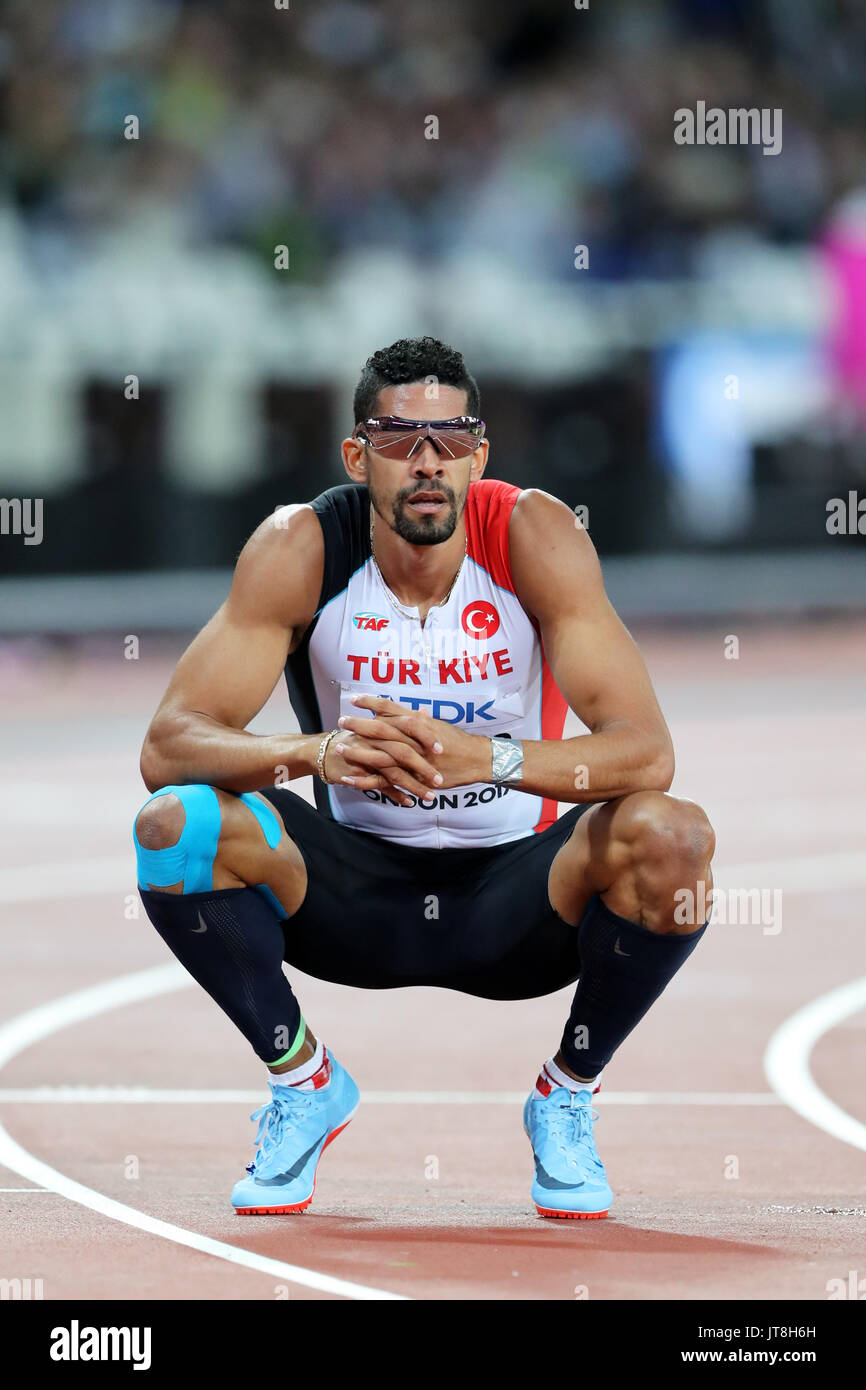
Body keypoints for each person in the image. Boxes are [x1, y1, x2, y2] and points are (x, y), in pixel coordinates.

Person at [133, 336, 714, 1220]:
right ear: (358, 456)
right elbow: (167, 745)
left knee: (674, 836)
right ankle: (303, 1083)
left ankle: (567, 1094)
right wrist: (315, 752)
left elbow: (646, 751)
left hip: (520, 898)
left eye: (451, 441)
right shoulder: (300, 547)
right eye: (402, 442)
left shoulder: (535, 538)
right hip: (349, 893)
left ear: (482, 453)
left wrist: (493, 761)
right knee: (176, 827)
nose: (429, 464)